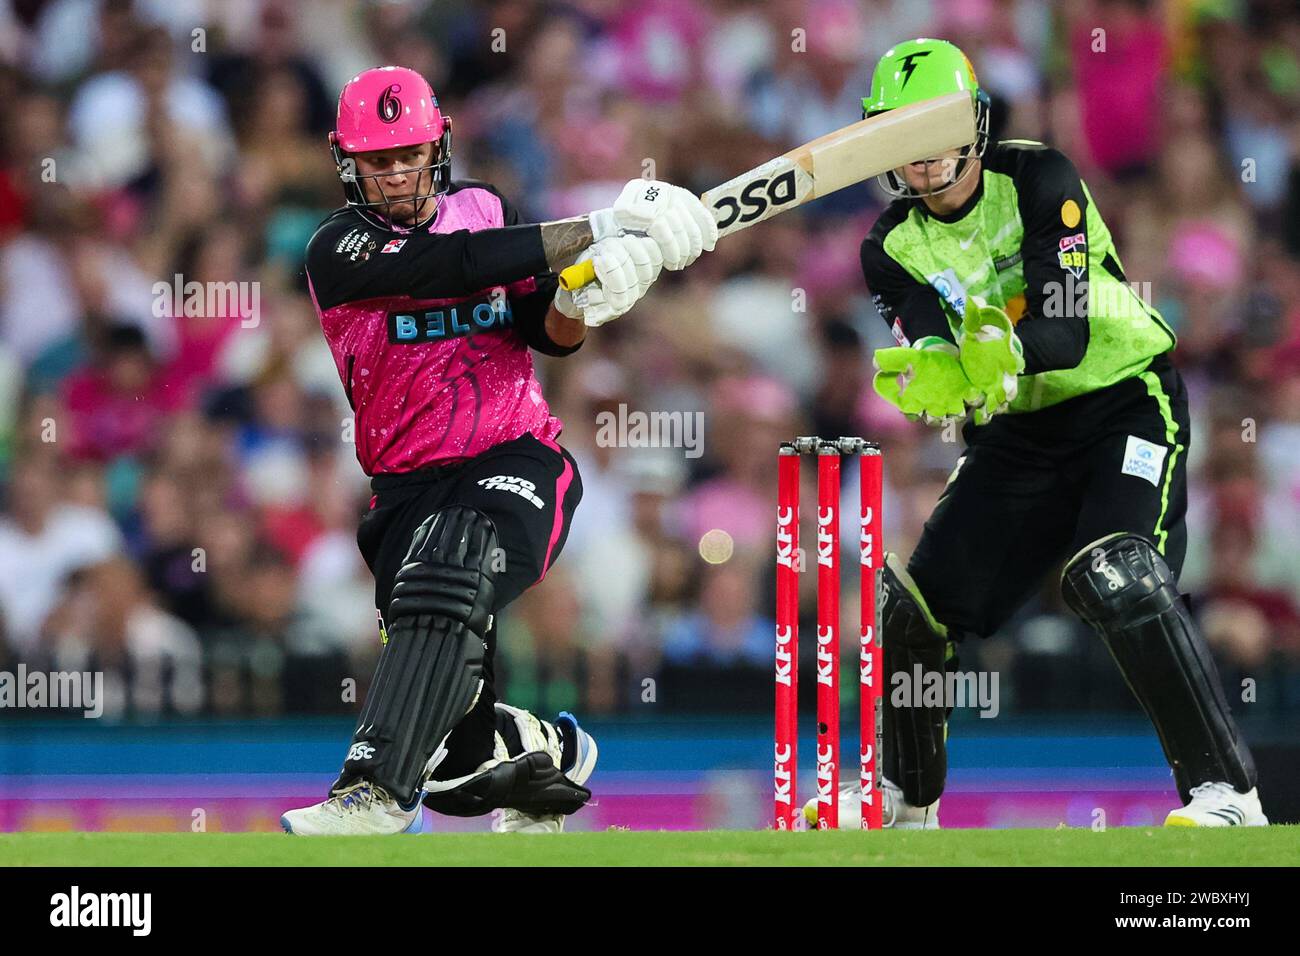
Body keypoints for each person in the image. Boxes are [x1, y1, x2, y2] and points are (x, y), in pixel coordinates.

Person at [805, 39, 1265, 829]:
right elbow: (930, 351)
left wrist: (999, 358)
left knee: (1115, 574)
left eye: (935, 127)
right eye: (898, 134)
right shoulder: (888, 247)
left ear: (975, 124)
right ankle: (903, 799)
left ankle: (1228, 794)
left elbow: (1067, 335)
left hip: (1123, 399)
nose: (920, 155)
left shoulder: (1039, 178)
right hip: (1020, 432)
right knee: (914, 613)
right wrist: (941, 375)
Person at [281, 66, 716, 835]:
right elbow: (450, 267)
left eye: (410, 153)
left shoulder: (487, 208)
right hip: (403, 494)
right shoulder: (335, 250)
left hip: (518, 460)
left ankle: (372, 793)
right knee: (453, 768)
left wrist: (582, 295)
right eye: (379, 160)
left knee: (455, 552)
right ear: (346, 162)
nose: (398, 174)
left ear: (439, 144)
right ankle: (537, 748)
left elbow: (547, 332)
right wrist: (597, 227)